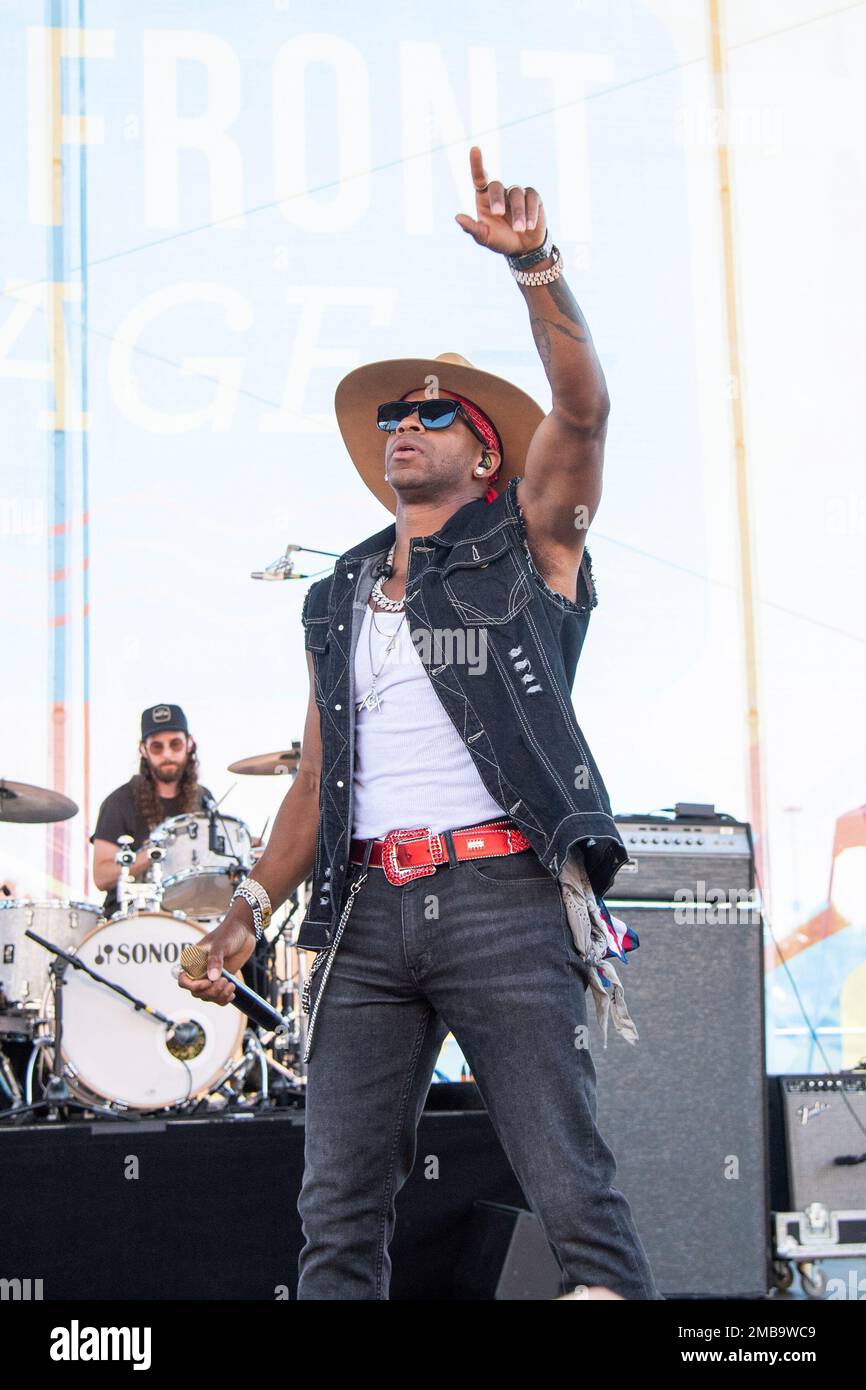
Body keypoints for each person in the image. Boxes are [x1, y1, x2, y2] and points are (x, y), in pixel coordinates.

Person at [179, 147, 662, 1301]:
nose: (404, 422)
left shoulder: (526, 542)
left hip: (500, 898)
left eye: (431, 412)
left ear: (483, 449)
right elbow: (313, 780)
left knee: (571, 1190)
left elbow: (585, 407)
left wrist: (534, 267)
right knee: (334, 1210)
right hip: (362, 915)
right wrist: (247, 908)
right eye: (394, 413)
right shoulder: (336, 590)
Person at [91, 703, 212, 918]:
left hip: (191, 917)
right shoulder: (118, 802)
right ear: (143, 749)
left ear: (189, 744)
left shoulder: (203, 799)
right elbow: (101, 876)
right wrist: (150, 855)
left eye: (175, 744)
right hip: (131, 922)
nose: (167, 754)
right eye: (157, 746)